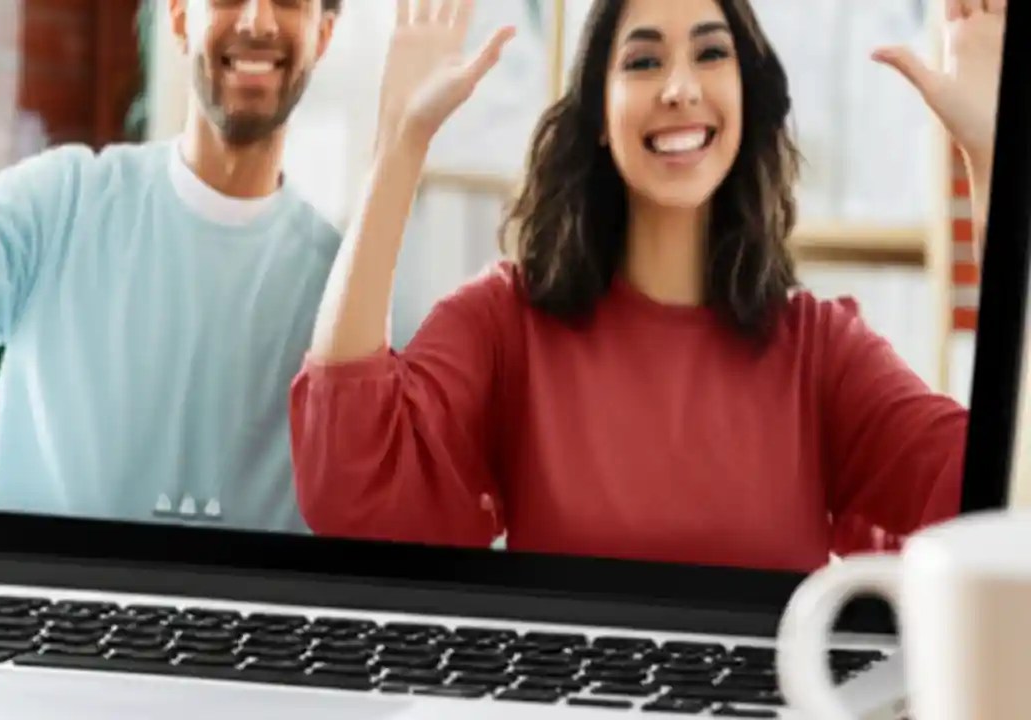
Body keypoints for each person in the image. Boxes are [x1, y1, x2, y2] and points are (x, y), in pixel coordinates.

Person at [288, 0, 1002, 571]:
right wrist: (399, 141)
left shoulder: (820, 350)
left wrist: (991, 152)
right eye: (644, 60)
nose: (681, 86)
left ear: (746, 97)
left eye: (711, 52)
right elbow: (348, 476)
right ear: (599, 116)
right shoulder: (509, 322)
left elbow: (992, 500)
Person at [0, 0, 343, 532]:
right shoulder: (60, 204)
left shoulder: (342, 289)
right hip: (32, 596)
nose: (257, 22)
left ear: (323, 36)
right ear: (179, 17)